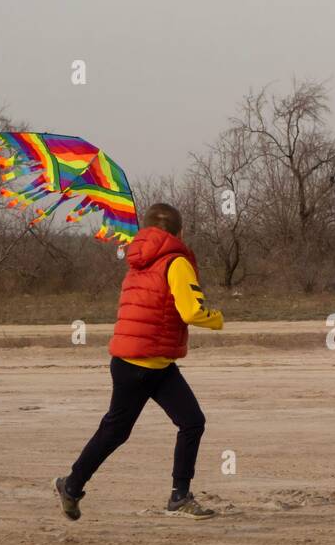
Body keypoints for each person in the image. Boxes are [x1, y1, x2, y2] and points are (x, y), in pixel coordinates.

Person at [54, 203, 223, 520]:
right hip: (146, 365)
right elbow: (192, 312)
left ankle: (73, 486)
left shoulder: (137, 262)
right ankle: (178, 495)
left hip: (136, 362)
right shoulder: (176, 262)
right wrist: (217, 319)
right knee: (187, 423)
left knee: (124, 430)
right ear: (180, 231)